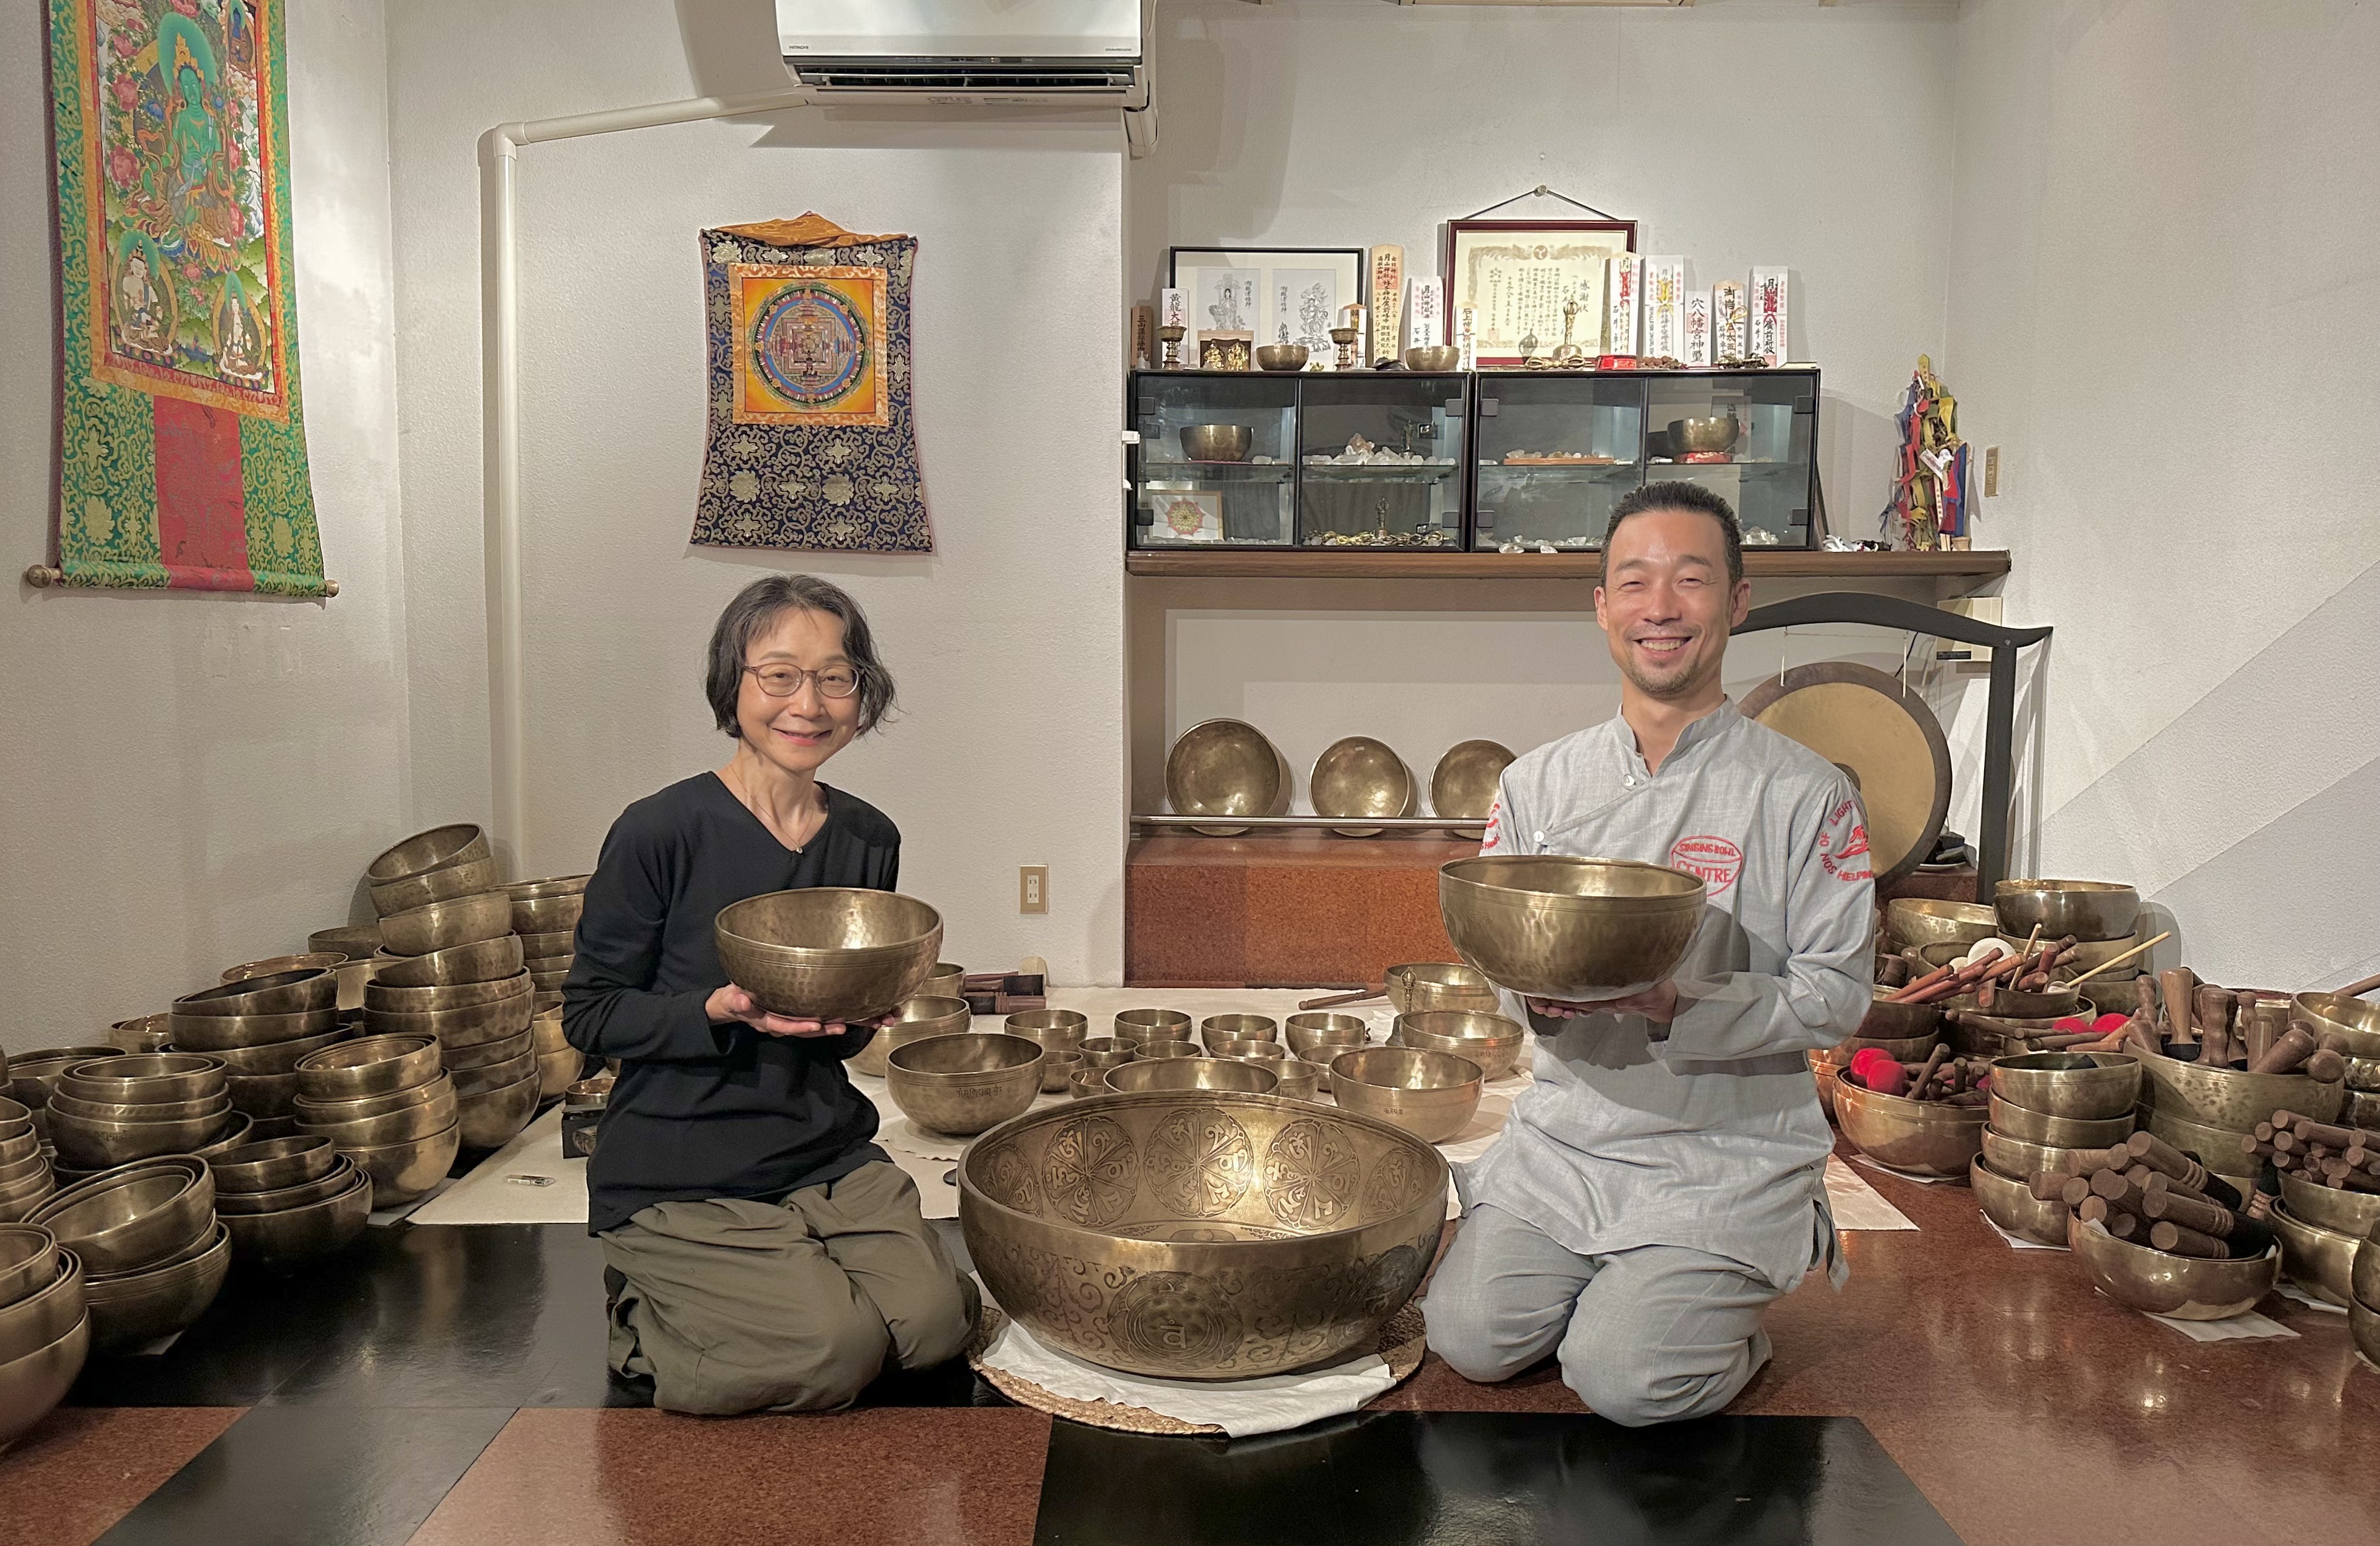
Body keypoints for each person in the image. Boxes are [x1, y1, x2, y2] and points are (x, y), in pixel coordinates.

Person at [1422, 481, 1873, 1426]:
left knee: (1622, 1378)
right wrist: (1533, 995)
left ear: (1737, 600)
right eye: (1634, 581)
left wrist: (1679, 1003)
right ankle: (1623, 1283)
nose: (1660, 607)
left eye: (1690, 579)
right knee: (1468, 1336)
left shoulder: (1807, 792)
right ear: (1602, 607)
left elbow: (1836, 994)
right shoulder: (1537, 783)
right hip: (1570, 1139)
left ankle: (1723, 1322)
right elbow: (1499, 970)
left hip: (1726, 1150)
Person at [562, 574, 976, 1415]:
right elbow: (591, 1012)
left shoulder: (868, 837)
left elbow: (835, 1036)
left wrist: (862, 1016)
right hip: (682, 1161)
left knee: (935, 1327)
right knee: (836, 1351)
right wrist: (716, 1010)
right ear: (734, 684)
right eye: (779, 674)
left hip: (821, 1148)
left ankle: (788, 1276)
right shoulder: (659, 831)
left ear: (862, 692)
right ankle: (643, 1317)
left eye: (835, 677)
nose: (808, 704)